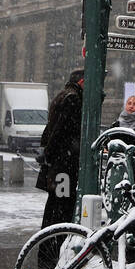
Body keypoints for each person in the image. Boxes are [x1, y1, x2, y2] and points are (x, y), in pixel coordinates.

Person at [39, 68, 84, 239]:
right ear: (82, 82)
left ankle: (49, 239)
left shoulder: (63, 95)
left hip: (60, 160)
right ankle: (55, 241)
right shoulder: (73, 98)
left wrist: (48, 153)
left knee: (55, 204)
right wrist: (53, 153)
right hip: (65, 162)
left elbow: (50, 130)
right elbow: (60, 130)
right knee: (62, 206)